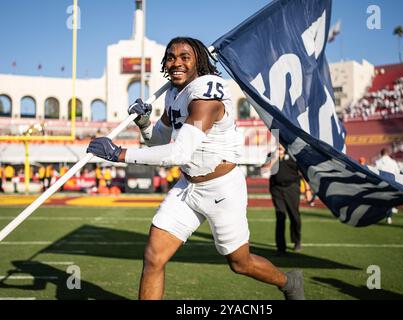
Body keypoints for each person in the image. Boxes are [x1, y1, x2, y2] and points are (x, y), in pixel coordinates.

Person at [87, 37, 304, 300]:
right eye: (171, 57)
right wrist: (144, 123)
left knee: (240, 263)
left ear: (198, 61)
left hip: (221, 190)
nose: (175, 62)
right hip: (188, 187)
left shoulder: (206, 97)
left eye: (184, 57)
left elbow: (178, 152)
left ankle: (288, 282)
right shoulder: (173, 92)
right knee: (154, 257)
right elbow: (157, 139)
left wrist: (118, 153)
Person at [269, 145, 302, 255]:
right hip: (277, 189)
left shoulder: (293, 156)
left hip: (291, 188)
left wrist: (307, 190)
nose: (279, 146)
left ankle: (296, 241)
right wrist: (275, 158)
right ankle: (280, 247)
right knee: (280, 217)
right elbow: (266, 167)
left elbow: (302, 173)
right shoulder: (272, 155)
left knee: (294, 216)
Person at [375, 148, 401, 224]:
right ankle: (389, 217)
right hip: (391, 183)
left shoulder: (378, 162)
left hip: (381, 183)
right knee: (389, 201)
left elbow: (375, 173)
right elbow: (398, 173)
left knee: (381, 201)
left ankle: (380, 216)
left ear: (381, 153)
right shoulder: (393, 162)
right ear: (388, 153)